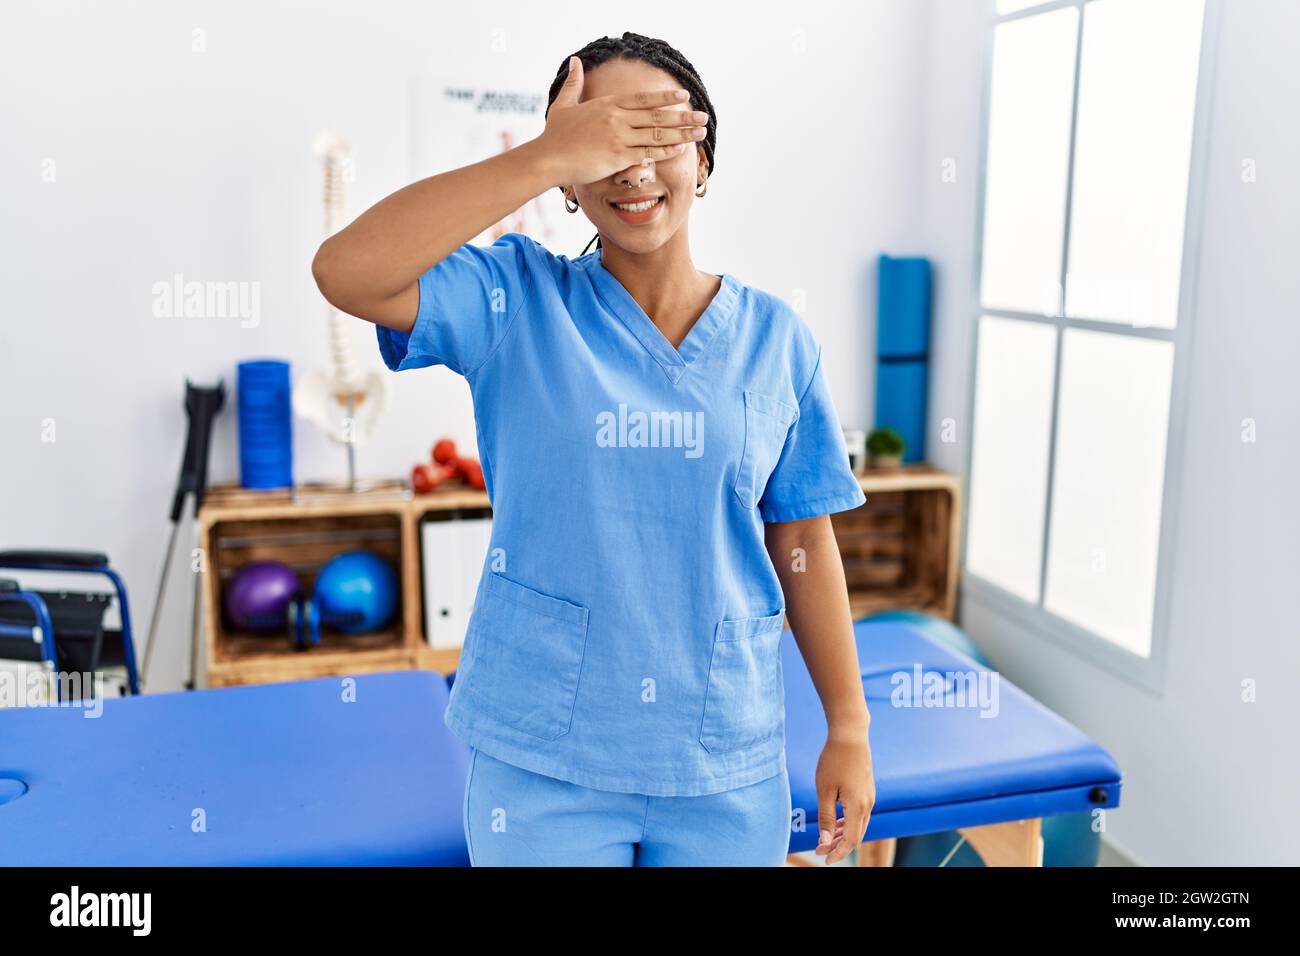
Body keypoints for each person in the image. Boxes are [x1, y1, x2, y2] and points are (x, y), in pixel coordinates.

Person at [313, 32, 875, 867]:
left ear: (705, 159)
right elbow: (347, 271)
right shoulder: (513, 300)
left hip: (722, 755)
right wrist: (541, 156)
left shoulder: (776, 342)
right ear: (570, 180)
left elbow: (801, 538)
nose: (634, 166)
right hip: (545, 761)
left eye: (659, 135)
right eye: (606, 140)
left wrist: (849, 725)